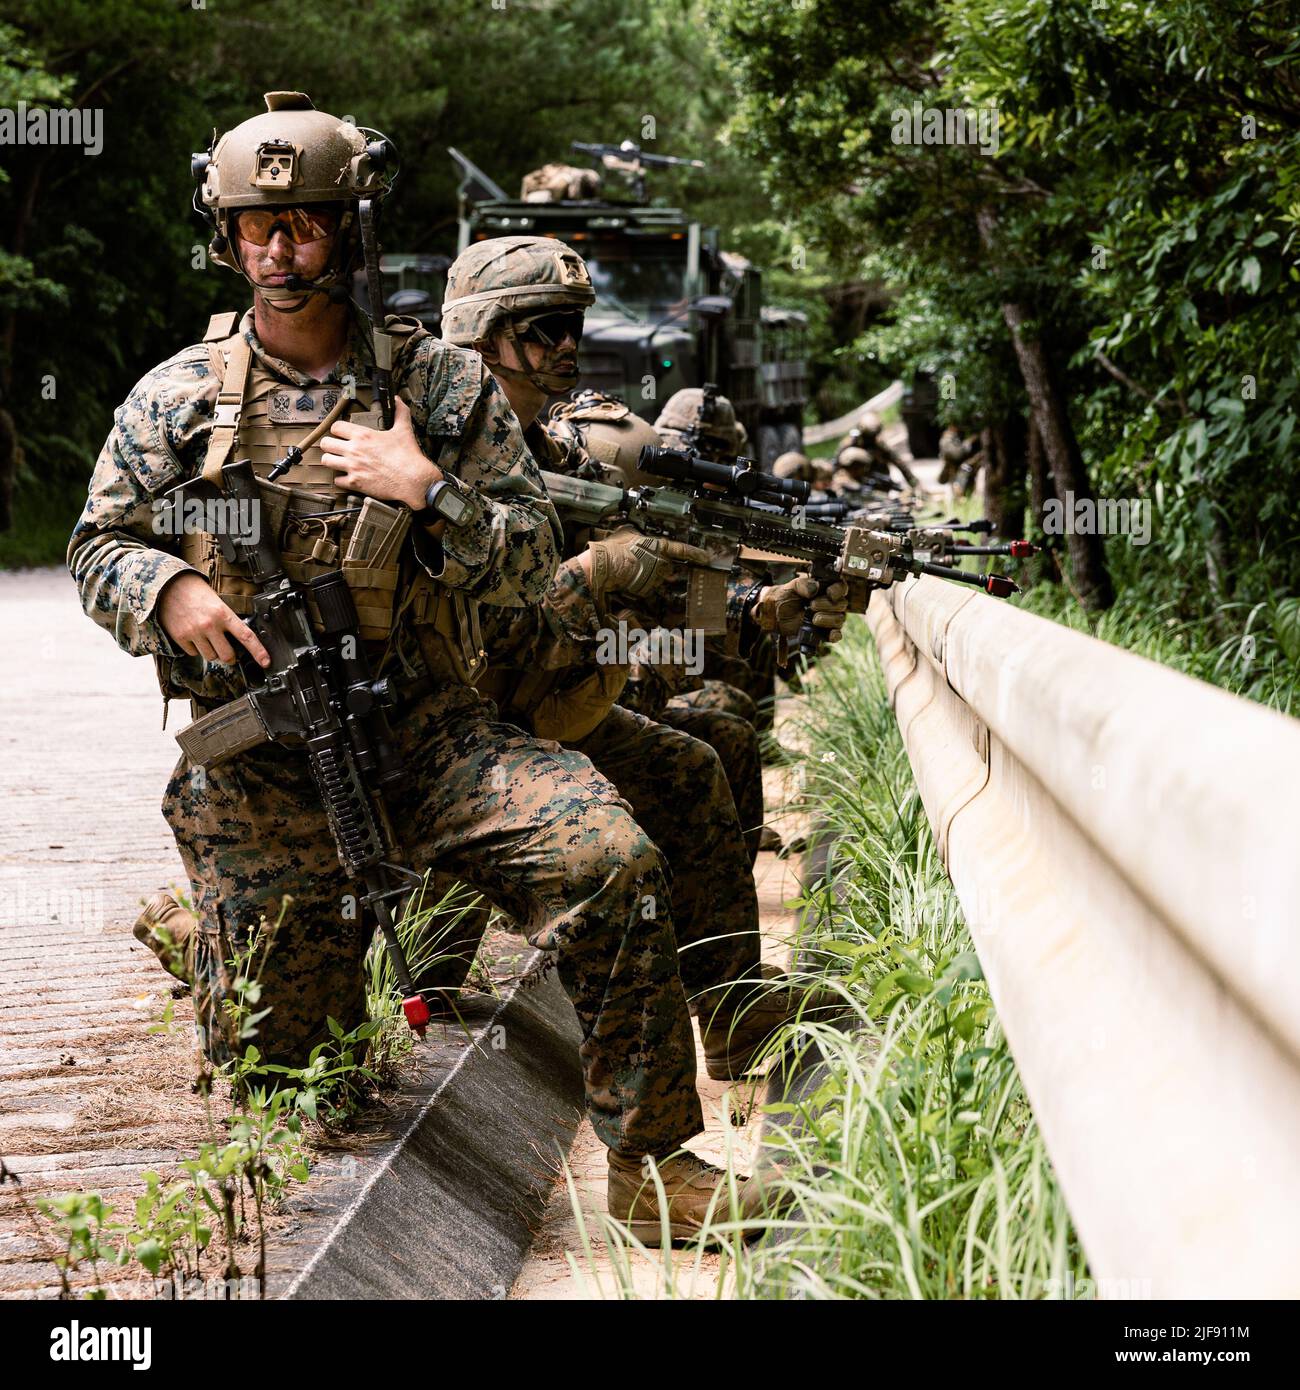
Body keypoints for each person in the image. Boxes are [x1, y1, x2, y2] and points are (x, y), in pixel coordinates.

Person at [68, 94, 776, 1242]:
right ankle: (226, 937)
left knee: (607, 854)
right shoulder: (179, 398)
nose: (282, 251)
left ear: (348, 231)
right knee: (289, 1089)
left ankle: (652, 1163)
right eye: (260, 227)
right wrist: (168, 590)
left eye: (305, 225)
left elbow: (537, 564)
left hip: (432, 733)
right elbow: (96, 545)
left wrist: (426, 489)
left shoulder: (440, 390)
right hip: (261, 769)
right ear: (228, 237)